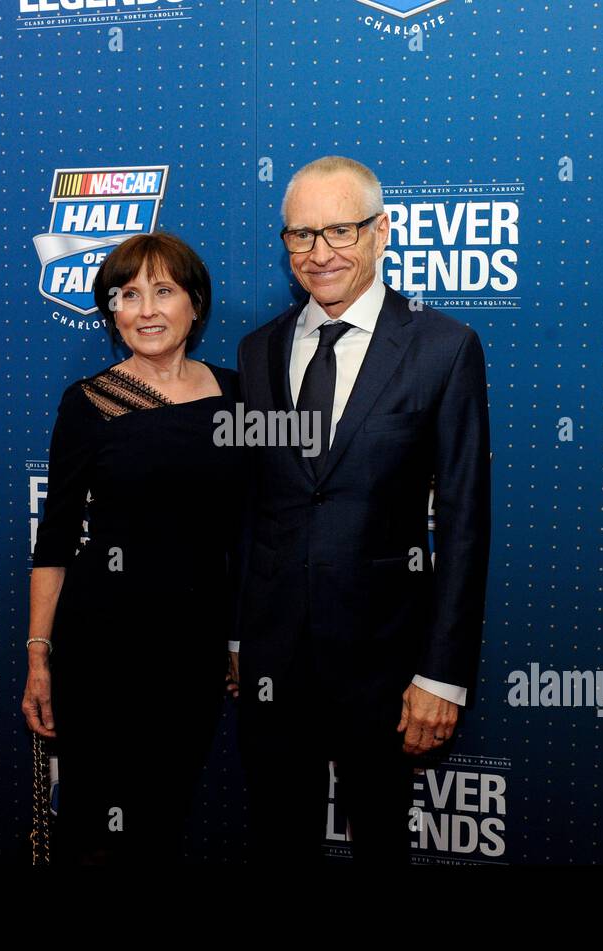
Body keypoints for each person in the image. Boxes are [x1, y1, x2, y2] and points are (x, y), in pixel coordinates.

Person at [232, 156, 492, 864]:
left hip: (387, 665)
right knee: (276, 844)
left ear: (382, 231)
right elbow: (258, 504)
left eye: (340, 230)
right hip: (272, 661)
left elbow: (466, 522)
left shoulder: (444, 347)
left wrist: (440, 675)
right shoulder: (258, 351)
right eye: (300, 235)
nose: (320, 254)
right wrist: (237, 637)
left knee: (380, 847)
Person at [22, 232, 241, 864]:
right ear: (111, 312)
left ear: (195, 305)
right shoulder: (90, 402)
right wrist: (40, 655)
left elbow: (256, 525)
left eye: (164, 291)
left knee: (161, 820)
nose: (146, 309)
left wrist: (236, 638)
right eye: (128, 294)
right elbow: (55, 539)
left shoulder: (238, 396)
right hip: (104, 646)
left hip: (194, 648)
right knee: (94, 820)